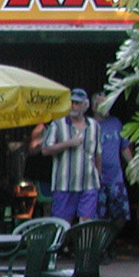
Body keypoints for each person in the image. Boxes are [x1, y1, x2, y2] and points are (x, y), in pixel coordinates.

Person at [41, 88, 101, 223]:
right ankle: (64, 245)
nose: (74, 106)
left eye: (78, 103)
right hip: (64, 184)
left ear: (86, 105)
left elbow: (98, 154)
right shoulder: (57, 124)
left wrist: (99, 176)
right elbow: (45, 149)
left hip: (89, 183)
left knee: (86, 221)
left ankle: (84, 245)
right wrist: (68, 143)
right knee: (63, 223)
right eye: (72, 102)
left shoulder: (94, 126)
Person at [92, 91, 133, 236]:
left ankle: (107, 241)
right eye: (103, 104)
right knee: (99, 216)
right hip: (97, 179)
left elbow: (124, 148)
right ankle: (100, 245)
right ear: (94, 107)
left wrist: (133, 167)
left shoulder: (116, 123)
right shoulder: (90, 125)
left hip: (116, 179)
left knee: (122, 215)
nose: (106, 107)